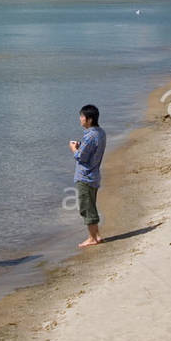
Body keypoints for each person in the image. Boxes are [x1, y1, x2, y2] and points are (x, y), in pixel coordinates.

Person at [69, 103, 107, 248]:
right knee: (90, 205)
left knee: (86, 207)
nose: (80, 119)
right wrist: (80, 146)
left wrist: (73, 148)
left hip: (86, 176)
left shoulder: (91, 136)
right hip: (94, 175)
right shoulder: (100, 132)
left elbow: (81, 157)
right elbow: (90, 151)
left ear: (89, 119)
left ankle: (92, 238)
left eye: (82, 117)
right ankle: (96, 235)